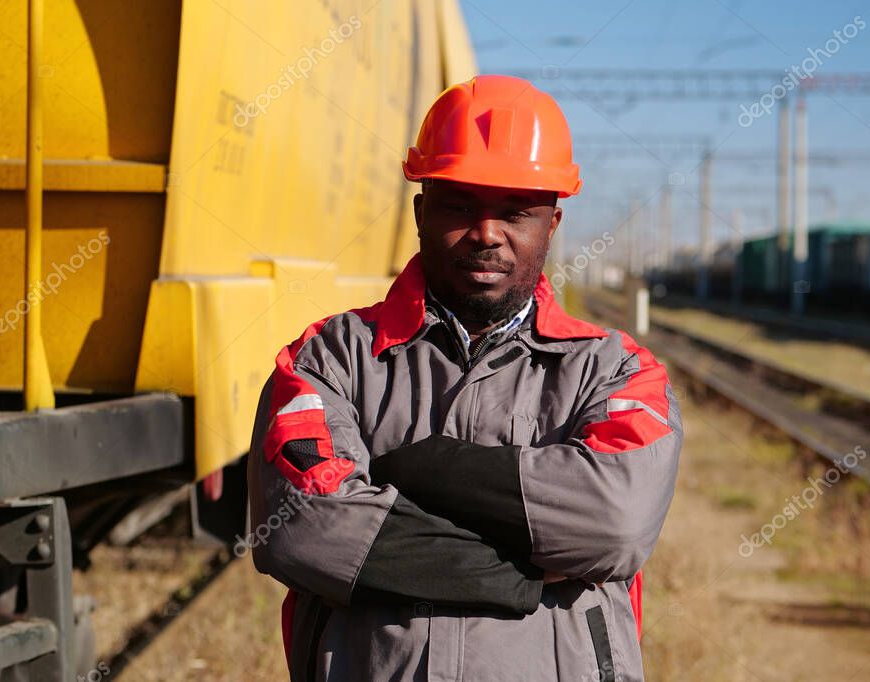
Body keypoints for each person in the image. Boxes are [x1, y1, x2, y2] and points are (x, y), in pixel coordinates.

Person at [247, 74, 682, 681]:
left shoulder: (616, 372)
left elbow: (616, 523)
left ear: (551, 225)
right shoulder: (328, 359)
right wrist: (521, 575)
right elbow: (302, 528)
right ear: (422, 212)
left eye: (514, 212)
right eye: (460, 205)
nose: (486, 233)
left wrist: (418, 469)